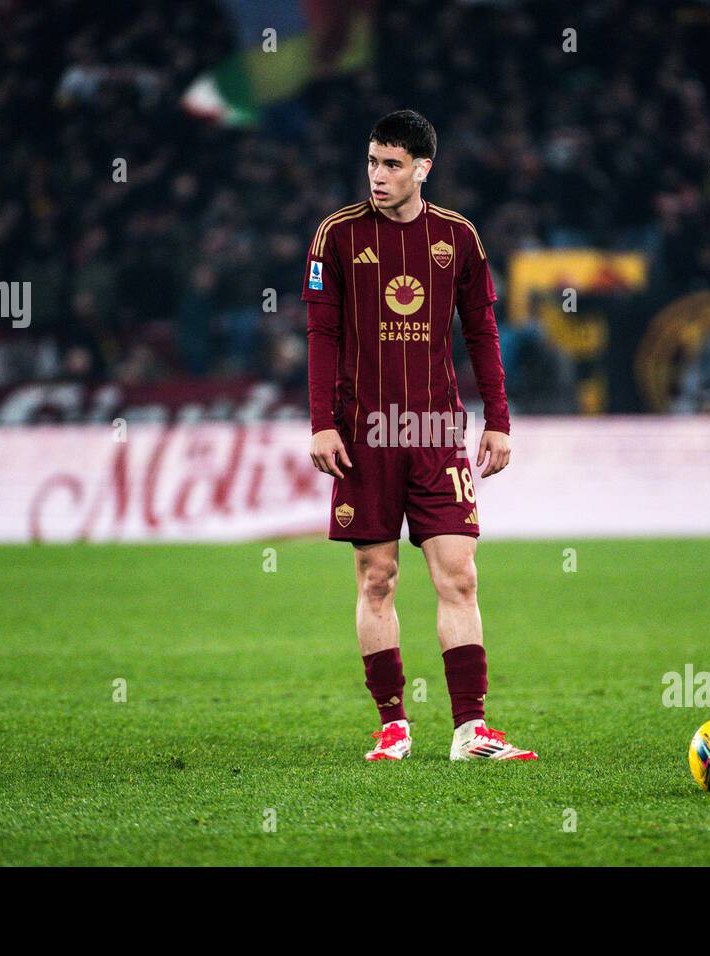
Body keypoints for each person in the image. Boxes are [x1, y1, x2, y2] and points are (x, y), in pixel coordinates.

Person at [301, 110, 536, 761]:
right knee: (376, 578)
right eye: (373, 162)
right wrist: (322, 422)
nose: (378, 175)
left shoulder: (457, 237)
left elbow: (481, 331)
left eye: (392, 164)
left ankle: (470, 730)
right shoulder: (337, 235)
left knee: (459, 575)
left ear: (422, 168)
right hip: (363, 434)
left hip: (435, 431)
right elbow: (321, 335)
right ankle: (394, 725)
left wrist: (499, 420)